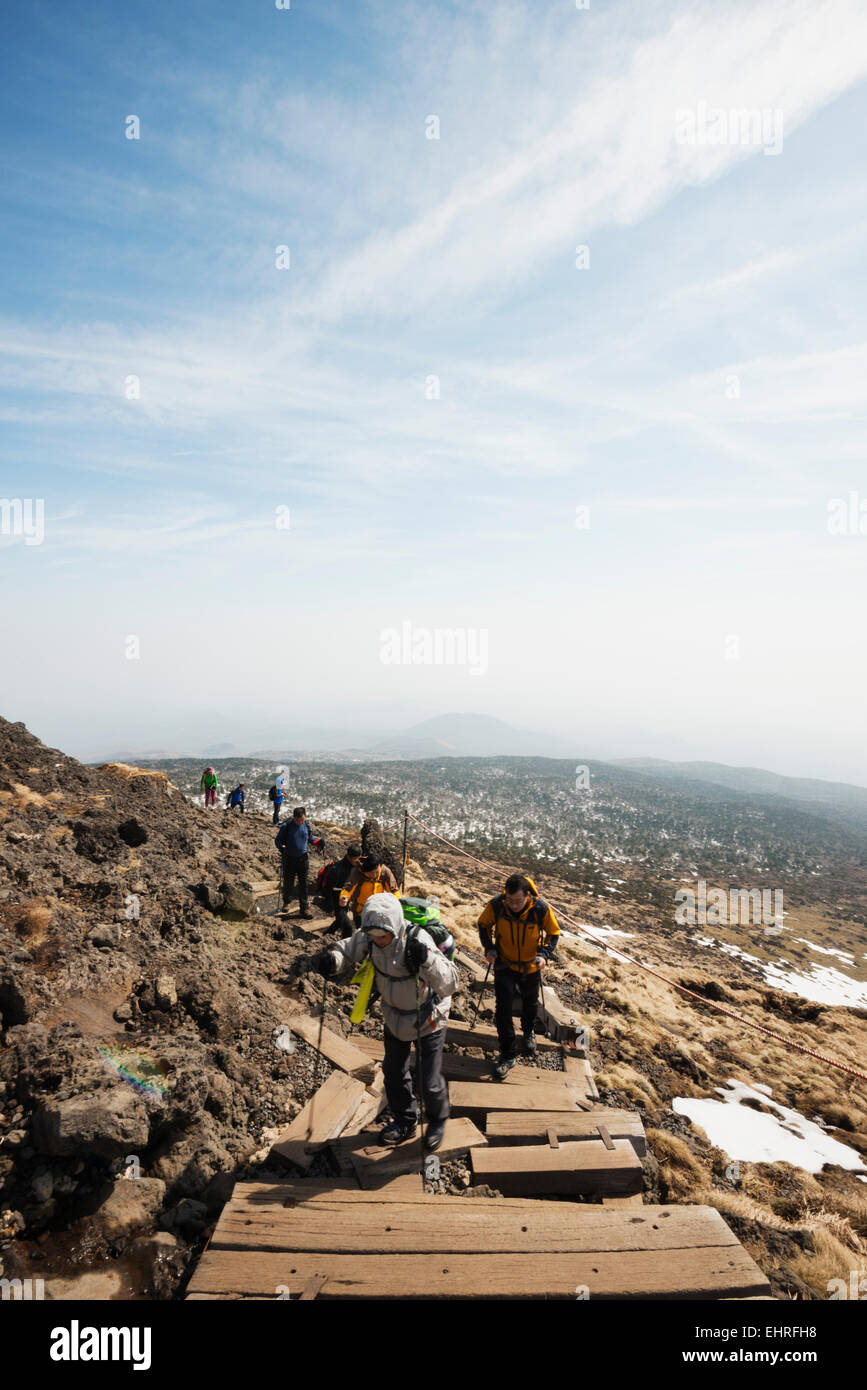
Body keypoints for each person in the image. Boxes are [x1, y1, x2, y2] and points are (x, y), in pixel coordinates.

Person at [314, 893, 459, 1151]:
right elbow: (347, 949)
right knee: (393, 1072)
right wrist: (332, 960)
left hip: (430, 1016)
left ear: (395, 926)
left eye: (383, 936)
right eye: (374, 936)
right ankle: (405, 1120)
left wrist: (425, 958)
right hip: (395, 1016)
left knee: (428, 1079)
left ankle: (438, 1119)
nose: (378, 941)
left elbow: (449, 982)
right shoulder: (369, 936)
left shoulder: (417, 939)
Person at [477, 873, 561, 1078]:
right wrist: (489, 948)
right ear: (505, 894)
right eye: (510, 900)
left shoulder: (540, 909)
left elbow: (554, 932)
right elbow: (483, 925)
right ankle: (507, 1055)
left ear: (527, 896)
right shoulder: (497, 905)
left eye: (518, 901)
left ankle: (528, 1031)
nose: (514, 905)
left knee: (530, 1004)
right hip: (504, 964)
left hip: (531, 967)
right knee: (503, 1009)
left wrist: (544, 955)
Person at [275, 806, 319, 919]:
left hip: (303, 858)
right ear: (294, 817)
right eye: (298, 820)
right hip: (289, 858)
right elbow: (278, 840)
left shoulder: (306, 825)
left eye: (302, 820)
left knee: (303, 883)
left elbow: (310, 838)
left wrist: (318, 842)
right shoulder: (287, 826)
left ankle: (304, 907)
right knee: (289, 881)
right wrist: (281, 847)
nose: (300, 822)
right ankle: (287, 902)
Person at [338, 852, 398, 925]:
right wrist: (343, 897)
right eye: (371, 873)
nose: (374, 875)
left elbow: (394, 890)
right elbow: (348, 887)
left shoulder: (385, 872)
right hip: (360, 911)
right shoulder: (358, 872)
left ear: (380, 865)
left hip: (378, 910)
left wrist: (398, 905)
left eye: (376, 872)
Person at [320, 844, 363, 936]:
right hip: (336, 901)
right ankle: (346, 946)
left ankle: (326, 934)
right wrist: (330, 907)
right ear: (349, 857)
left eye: (359, 858)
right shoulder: (337, 869)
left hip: (346, 899)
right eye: (356, 858)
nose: (358, 861)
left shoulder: (356, 866)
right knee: (348, 926)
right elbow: (328, 890)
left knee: (340, 921)